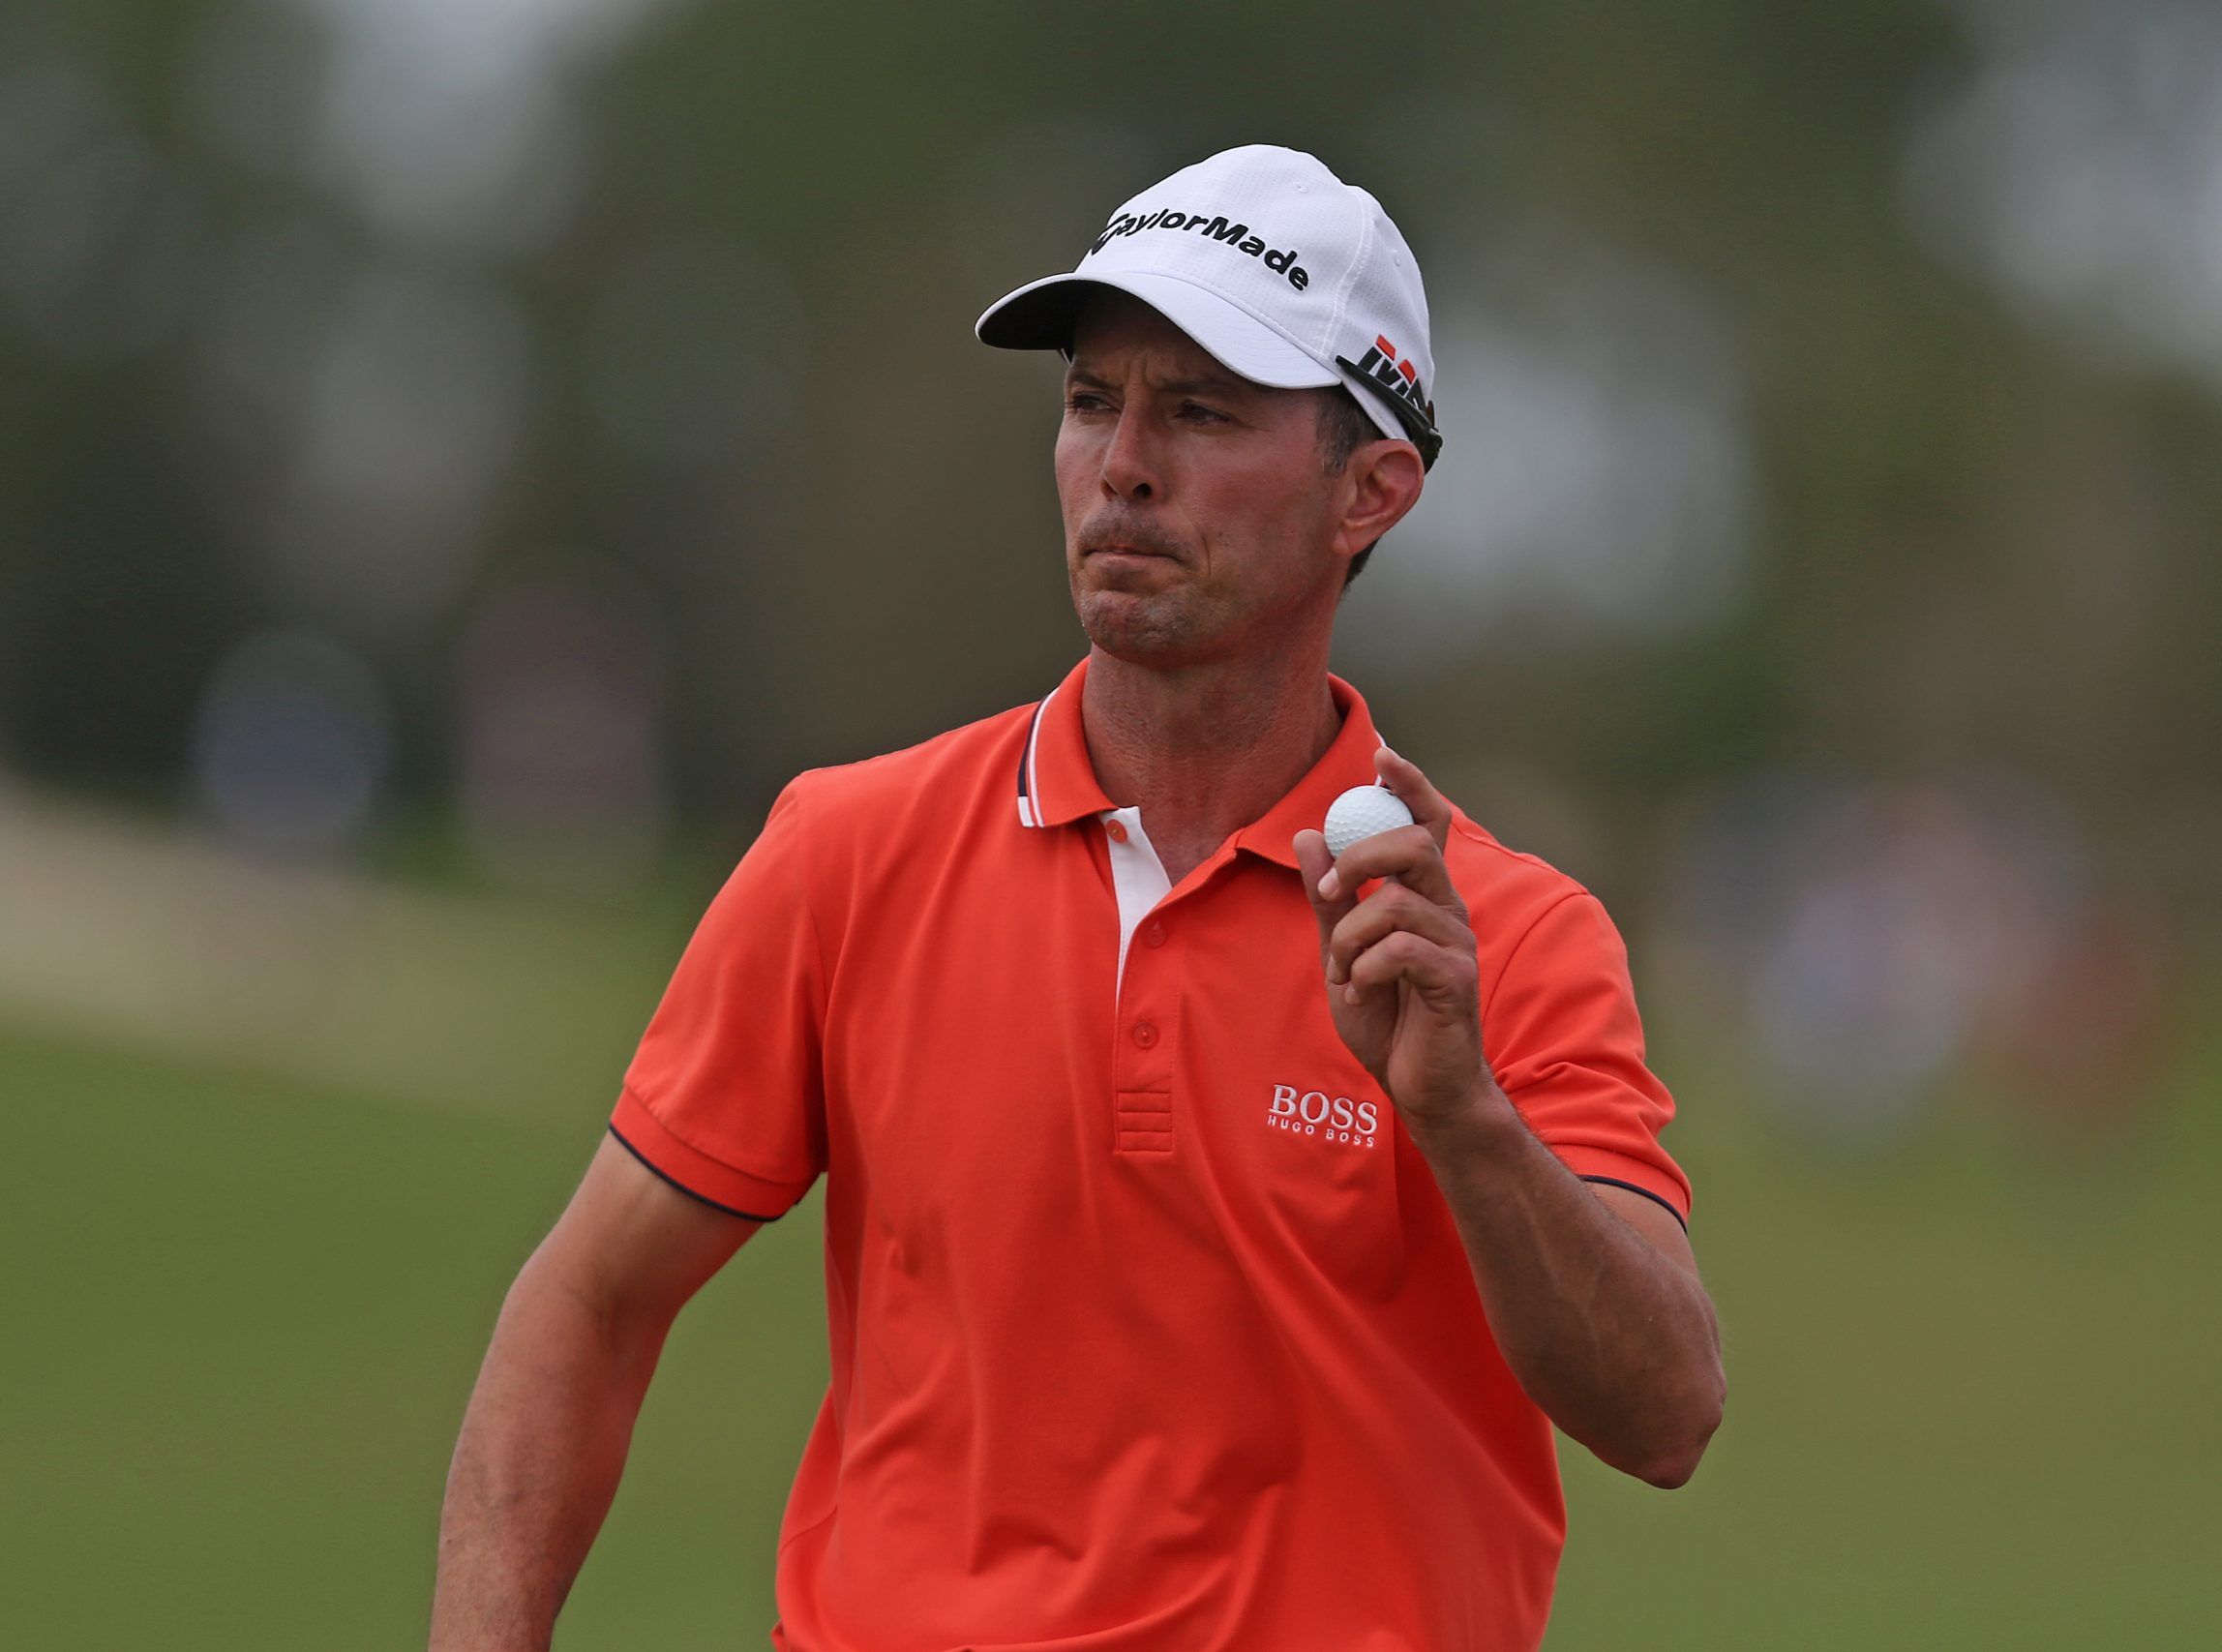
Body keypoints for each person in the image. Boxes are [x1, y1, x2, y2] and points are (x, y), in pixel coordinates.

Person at [430, 142, 1724, 1652]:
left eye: (1201, 411)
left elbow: (1667, 1415)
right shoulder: (847, 850)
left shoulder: (1504, 938)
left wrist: (1466, 1118)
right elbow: (585, 1304)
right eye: (1092, 400)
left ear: (1370, 490)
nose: (1123, 462)